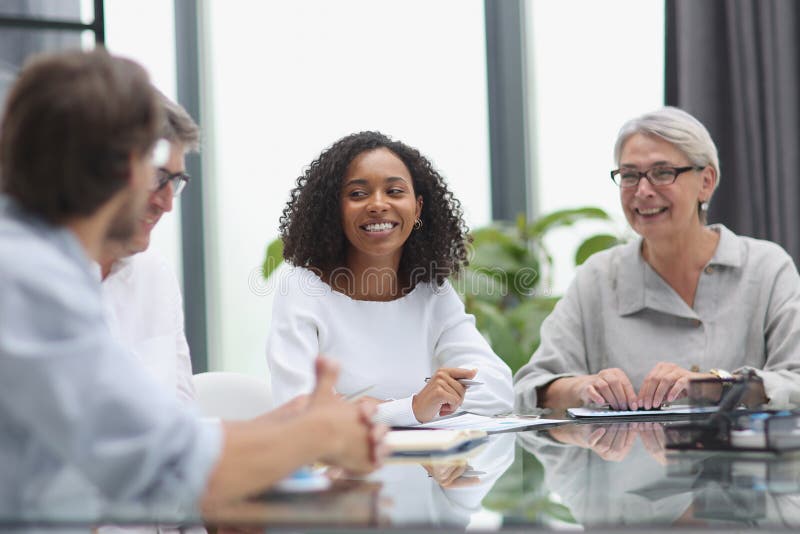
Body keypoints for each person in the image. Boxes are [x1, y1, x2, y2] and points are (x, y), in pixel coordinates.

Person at [0, 48, 384, 508]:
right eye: (153, 167)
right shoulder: (26, 278)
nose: (164, 198)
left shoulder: (35, 260)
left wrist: (291, 427)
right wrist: (318, 434)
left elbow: (156, 434)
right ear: (117, 167)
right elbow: (163, 464)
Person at [515, 106, 800, 413]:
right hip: (624, 461)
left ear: (706, 181)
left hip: (745, 461)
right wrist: (583, 387)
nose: (643, 190)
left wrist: (713, 386)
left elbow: (795, 381)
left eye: (663, 173)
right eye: (629, 175)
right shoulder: (598, 276)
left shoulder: (767, 268)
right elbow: (530, 389)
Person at [267, 131, 514, 426]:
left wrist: (395, 408)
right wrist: (413, 407)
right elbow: (301, 408)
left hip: (424, 469)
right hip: (342, 470)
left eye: (395, 191)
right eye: (357, 194)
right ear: (335, 210)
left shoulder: (430, 291)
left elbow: (497, 387)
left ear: (417, 208)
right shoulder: (302, 289)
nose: (378, 204)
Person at [98, 91, 198, 403]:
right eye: (157, 177)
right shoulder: (27, 282)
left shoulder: (156, 274)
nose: (167, 204)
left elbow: (184, 413)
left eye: (176, 181)